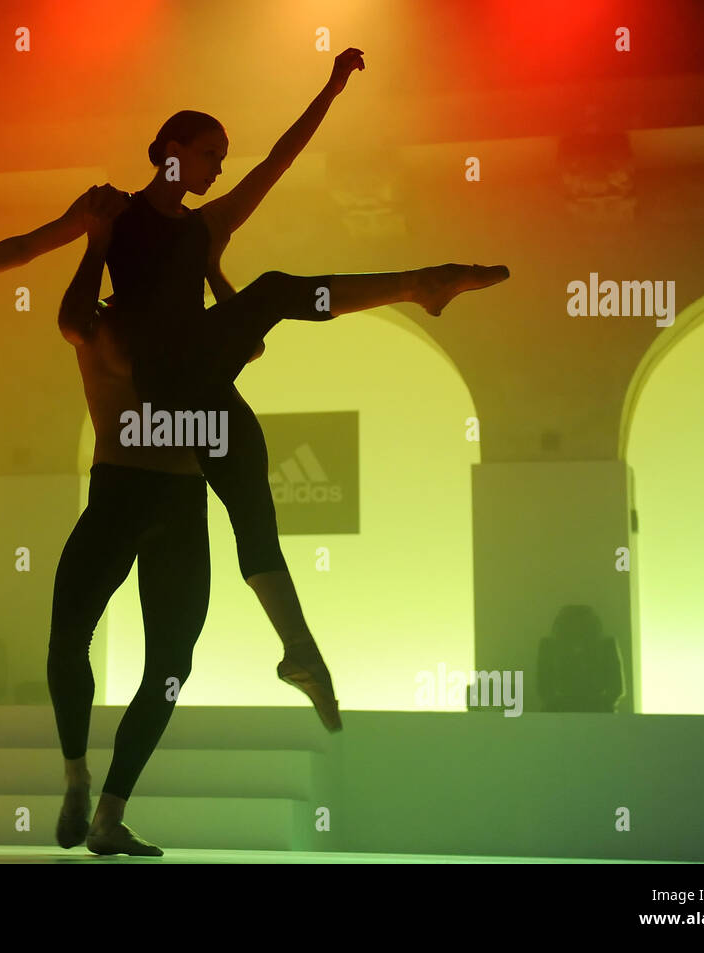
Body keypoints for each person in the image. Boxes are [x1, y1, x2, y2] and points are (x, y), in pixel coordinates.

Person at [66, 48, 510, 733]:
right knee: (275, 291)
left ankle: (298, 650)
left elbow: (281, 159)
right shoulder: (115, 213)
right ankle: (417, 283)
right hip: (161, 379)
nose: (221, 166)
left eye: (223, 156)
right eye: (212, 153)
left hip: (198, 390)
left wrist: (330, 91)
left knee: (254, 511)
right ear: (172, 150)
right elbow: (23, 244)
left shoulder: (206, 227)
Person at [0, 185, 256, 857]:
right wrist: (91, 244)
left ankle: (108, 808)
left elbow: (247, 339)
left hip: (175, 497)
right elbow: (31, 252)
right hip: (129, 491)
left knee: (166, 661)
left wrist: (210, 264)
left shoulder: (168, 330)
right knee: (70, 638)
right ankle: (80, 779)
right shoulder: (99, 321)